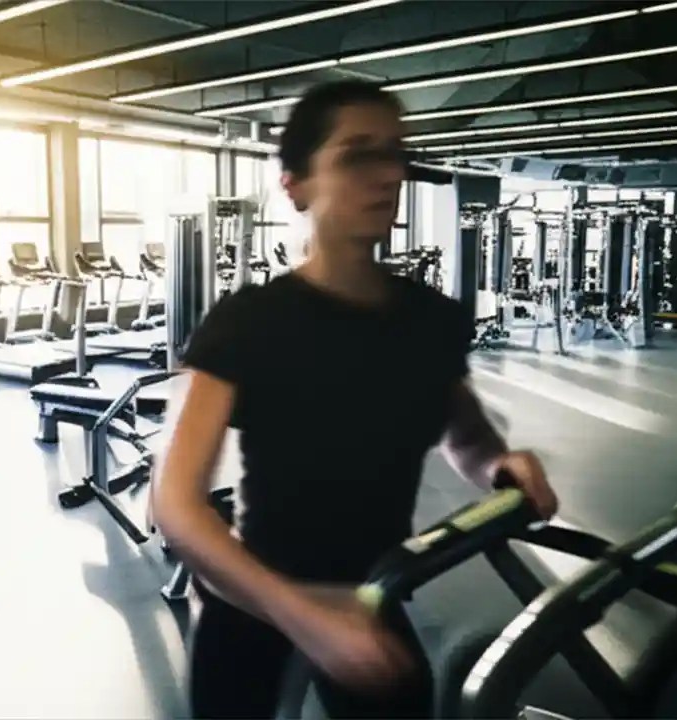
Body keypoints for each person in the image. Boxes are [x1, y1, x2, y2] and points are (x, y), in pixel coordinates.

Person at [152, 80, 559, 719]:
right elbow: (175, 503)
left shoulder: (432, 321)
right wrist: (302, 614)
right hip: (257, 601)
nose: (388, 174)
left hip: (373, 597)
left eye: (395, 154)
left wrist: (502, 468)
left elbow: (469, 438)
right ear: (295, 183)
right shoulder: (247, 324)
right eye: (357, 154)